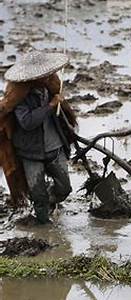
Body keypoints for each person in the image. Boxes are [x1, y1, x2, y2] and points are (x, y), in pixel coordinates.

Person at [0, 50, 77, 224]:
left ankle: (50, 201)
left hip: (54, 147)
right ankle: (44, 228)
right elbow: (27, 122)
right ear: (32, 79)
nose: (48, 77)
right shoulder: (19, 97)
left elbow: (63, 117)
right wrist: (50, 106)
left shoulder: (52, 88)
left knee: (64, 188)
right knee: (37, 194)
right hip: (30, 152)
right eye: (43, 75)